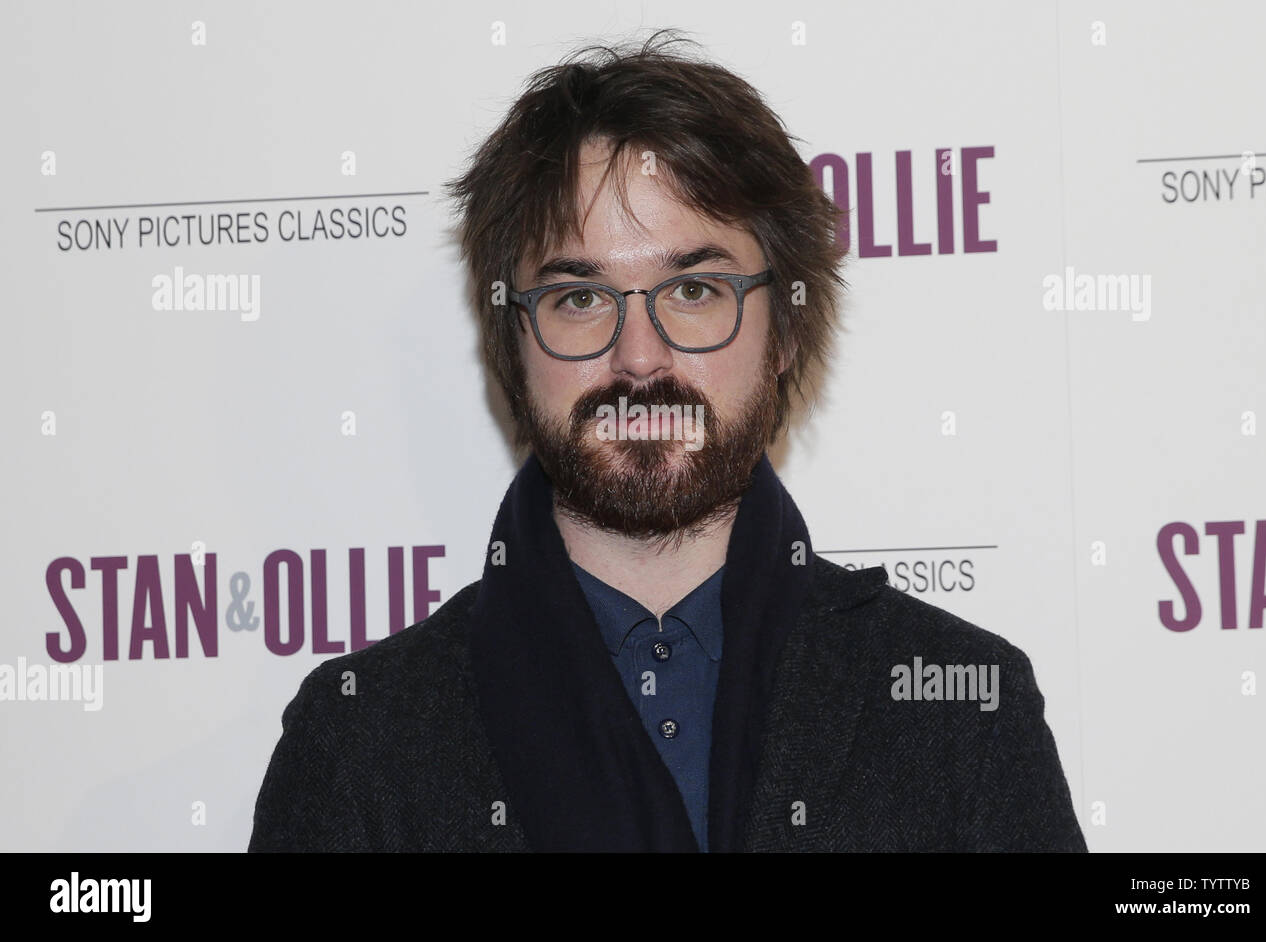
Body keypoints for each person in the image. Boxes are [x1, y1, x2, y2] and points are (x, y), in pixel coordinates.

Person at [248, 30, 1086, 853]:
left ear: (785, 331)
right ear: (513, 344)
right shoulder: (359, 742)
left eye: (693, 289)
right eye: (580, 299)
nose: (640, 358)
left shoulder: (959, 711)